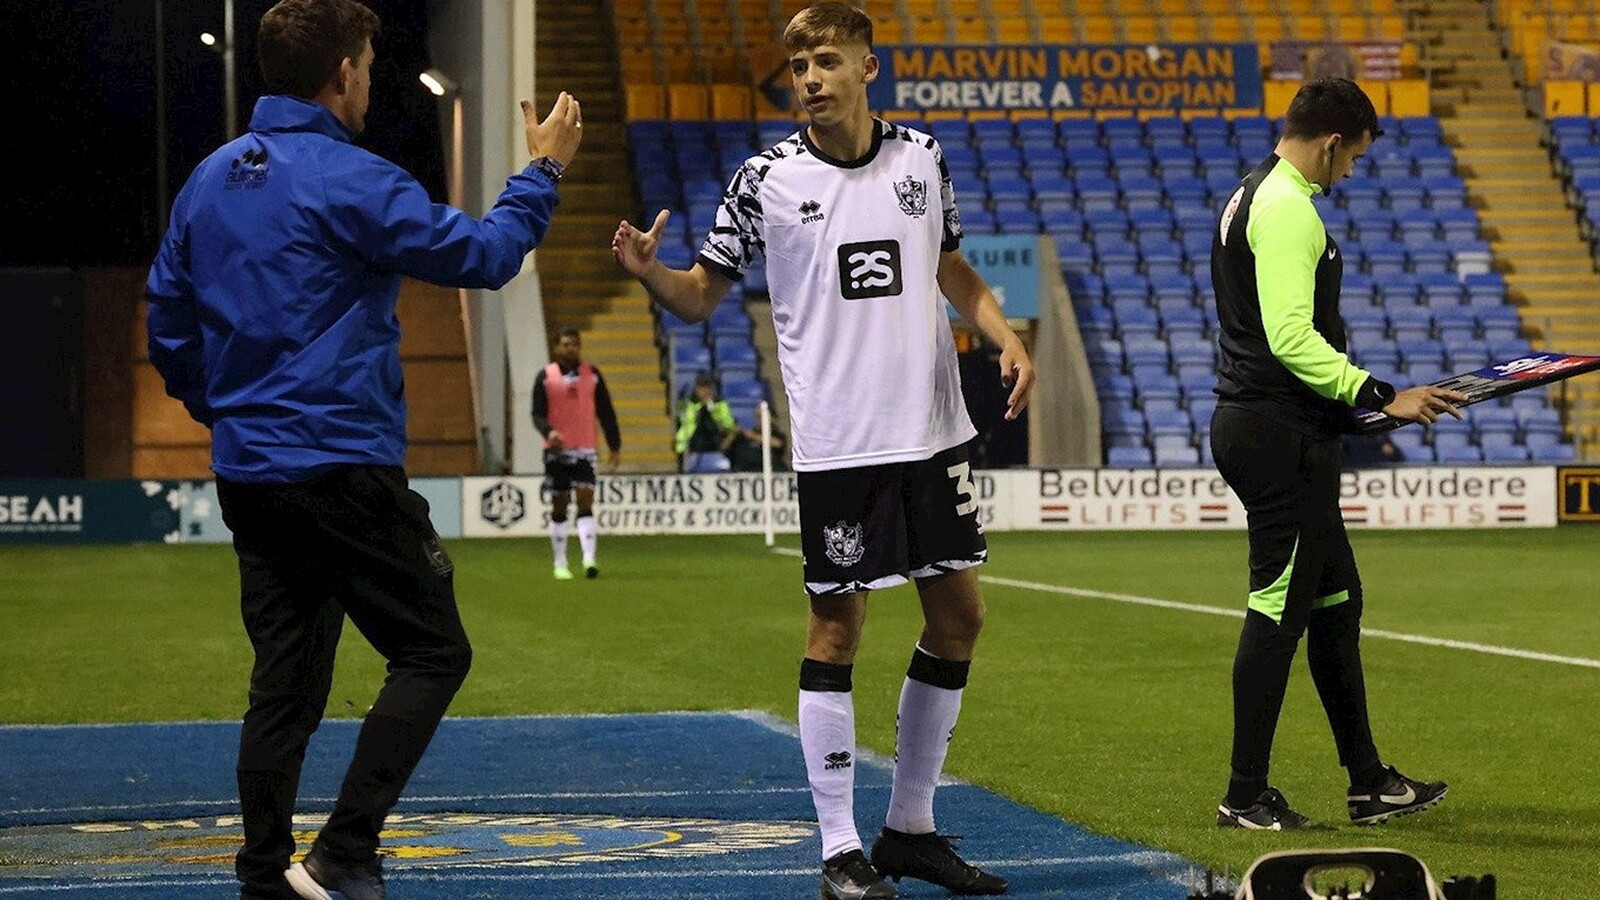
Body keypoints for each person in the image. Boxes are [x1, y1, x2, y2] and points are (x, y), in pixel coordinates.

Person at [143, 1, 582, 897]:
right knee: (433, 650)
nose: (372, 81)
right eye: (372, 66)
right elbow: (489, 254)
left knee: (286, 685)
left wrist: (220, 409)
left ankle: (263, 877)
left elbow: (168, 323)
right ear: (343, 72)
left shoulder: (209, 180)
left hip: (250, 474)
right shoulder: (348, 177)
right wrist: (543, 170)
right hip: (340, 464)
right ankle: (344, 850)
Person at [612, 5, 1033, 897]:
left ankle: (909, 830)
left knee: (959, 619)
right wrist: (652, 272)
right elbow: (699, 297)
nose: (809, 77)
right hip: (841, 446)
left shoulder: (922, 155)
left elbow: (950, 263)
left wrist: (1005, 334)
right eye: (798, 63)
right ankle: (839, 849)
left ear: (867, 68)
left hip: (933, 432)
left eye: (826, 60)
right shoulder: (761, 179)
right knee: (837, 629)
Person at [1208, 77, 1465, 831]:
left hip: (1278, 427)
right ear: (1330, 144)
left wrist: (1348, 416)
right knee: (1276, 609)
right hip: (1276, 437)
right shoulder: (1290, 208)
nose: (1349, 174)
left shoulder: (1250, 191)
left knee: (1334, 604)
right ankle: (1245, 795)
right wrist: (1381, 395)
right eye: (1351, 159)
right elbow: (1289, 340)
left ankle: (1369, 782)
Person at [531, 326, 621, 579]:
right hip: (557, 451)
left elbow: (605, 410)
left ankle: (589, 559)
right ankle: (560, 562)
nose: (571, 348)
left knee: (585, 500)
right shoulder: (545, 377)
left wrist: (615, 444)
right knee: (560, 505)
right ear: (556, 347)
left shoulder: (592, 375)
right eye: (566, 344)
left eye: (574, 344)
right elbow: (537, 413)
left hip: (585, 449)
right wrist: (549, 432)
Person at [675, 371, 737, 472]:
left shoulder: (720, 404)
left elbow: (728, 424)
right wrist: (700, 407)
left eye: (707, 387)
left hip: (714, 444)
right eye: (701, 387)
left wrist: (712, 409)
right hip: (690, 446)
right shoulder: (688, 403)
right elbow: (685, 421)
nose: (705, 391)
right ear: (696, 388)